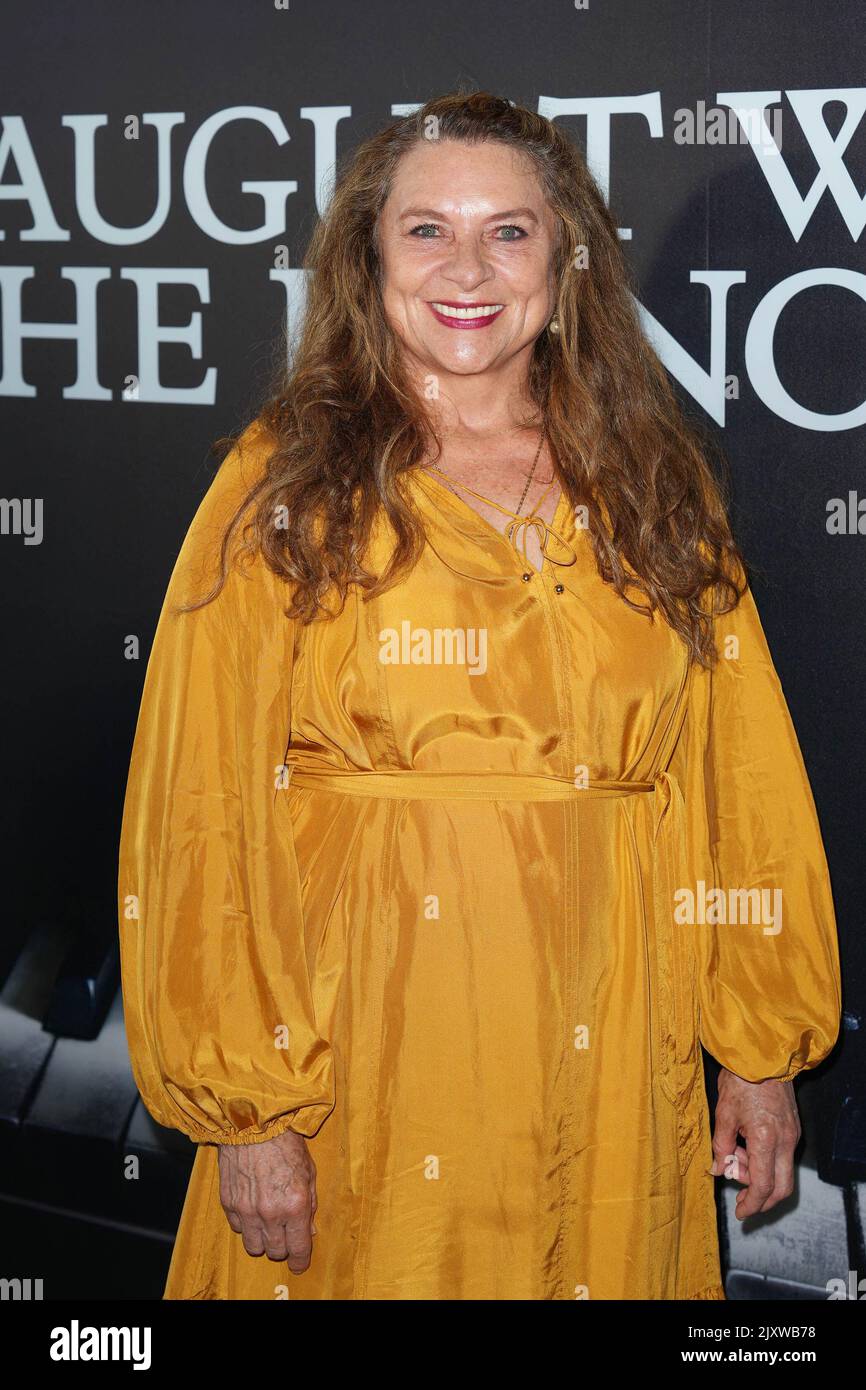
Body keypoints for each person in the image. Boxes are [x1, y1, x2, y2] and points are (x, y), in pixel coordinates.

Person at [117, 91, 842, 1301]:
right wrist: (245, 1107)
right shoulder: (279, 484)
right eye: (425, 231)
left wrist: (758, 1051)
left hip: (611, 1051)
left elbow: (737, 780)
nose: (468, 268)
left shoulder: (656, 486)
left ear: (563, 266)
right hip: (370, 1062)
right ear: (365, 259)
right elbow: (200, 807)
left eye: (508, 232)